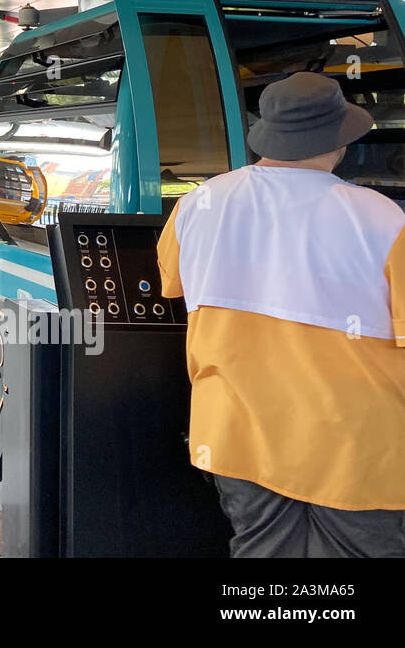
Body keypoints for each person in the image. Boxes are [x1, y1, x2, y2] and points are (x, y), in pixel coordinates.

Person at [157, 72, 405, 558]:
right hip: (356, 444)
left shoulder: (197, 204)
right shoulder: (383, 218)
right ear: (339, 141)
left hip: (235, 431)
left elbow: (172, 281)